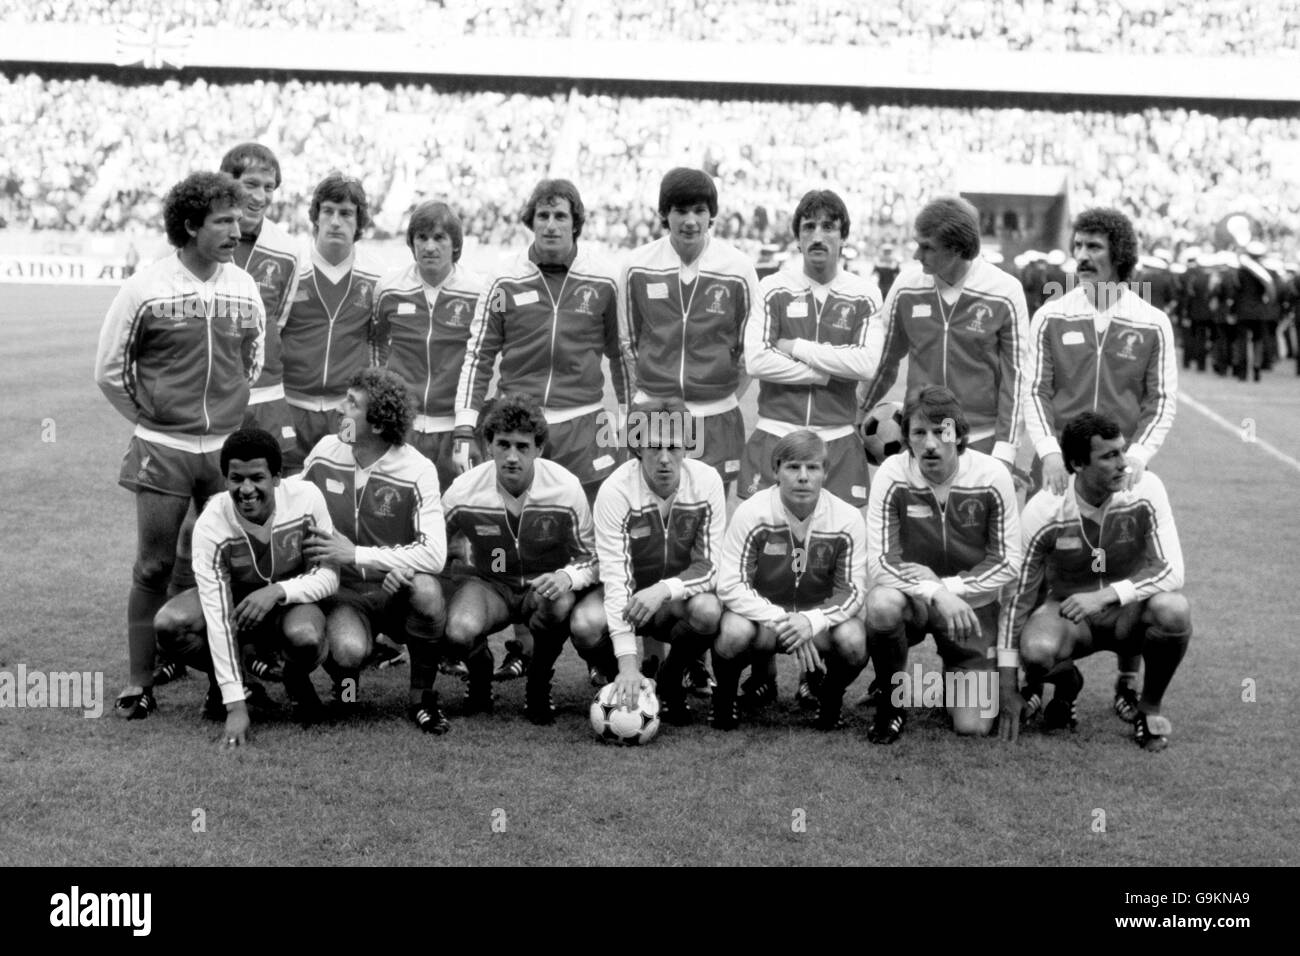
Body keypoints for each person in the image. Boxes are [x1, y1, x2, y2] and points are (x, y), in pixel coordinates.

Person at [94, 171, 265, 719]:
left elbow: (252, 360)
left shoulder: (243, 286)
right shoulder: (145, 288)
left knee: (232, 568)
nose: (236, 230)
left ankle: (224, 682)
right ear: (190, 225)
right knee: (153, 566)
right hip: (162, 447)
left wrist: (228, 413)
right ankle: (140, 682)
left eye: (238, 220)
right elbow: (110, 371)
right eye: (223, 221)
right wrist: (150, 417)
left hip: (226, 453)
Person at [1023, 208, 1178, 719]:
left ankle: (1129, 683)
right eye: (1080, 245)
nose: (1084, 256)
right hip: (1059, 468)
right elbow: (1036, 392)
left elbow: (1161, 401)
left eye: (1095, 247)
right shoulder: (1051, 315)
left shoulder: (1151, 321)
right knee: (1046, 571)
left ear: (1119, 254)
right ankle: (1044, 678)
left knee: (1128, 565)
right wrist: (1048, 452)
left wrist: (1136, 458)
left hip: (1120, 468)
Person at [741, 188, 881, 709]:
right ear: (797, 235)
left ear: (844, 235)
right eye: (808, 226)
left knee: (834, 560)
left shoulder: (865, 295)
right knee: (760, 558)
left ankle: (816, 671)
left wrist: (798, 350)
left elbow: (865, 364)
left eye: (829, 226)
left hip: (839, 443)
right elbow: (756, 360)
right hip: (774, 434)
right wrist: (830, 369)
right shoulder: (772, 288)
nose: (817, 235)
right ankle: (759, 672)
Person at [999, 412, 1190, 751]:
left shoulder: (1145, 488)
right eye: (1109, 456)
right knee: (1036, 651)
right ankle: (1068, 683)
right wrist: (1008, 686)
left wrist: (1106, 596)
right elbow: (1018, 599)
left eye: (1122, 451)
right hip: (1071, 616)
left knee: (1174, 609)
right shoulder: (1044, 510)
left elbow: (1172, 570)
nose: (1124, 464)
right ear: (1077, 464)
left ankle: (1148, 711)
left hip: (1127, 615)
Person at [154, 428, 338, 745]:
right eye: (236, 479)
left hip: (290, 606)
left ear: (278, 477)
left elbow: (329, 577)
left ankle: (295, 680)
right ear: (225, 479)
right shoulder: (211, 524)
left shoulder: (308, 499)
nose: (246, 489)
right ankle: (231, 681)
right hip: (234, 609)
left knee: (306, 637)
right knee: (170, 625)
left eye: (257, 477)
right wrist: (235, 706)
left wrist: (278, 592)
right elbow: (218, 617)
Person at [453, 178, 630, 502]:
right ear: (530, 221)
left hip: (584, 424)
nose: (551, 225)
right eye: (543, 216)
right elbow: (479, 355)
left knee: (584, 529)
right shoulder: (504, 280)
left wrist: (630, 418)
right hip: (516, 424)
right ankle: (501, 558)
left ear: (575, 223)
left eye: (560, 216)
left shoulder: (605, 279)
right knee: (510, 527)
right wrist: (465, 425)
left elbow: (621, 355)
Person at [863, 386, 1021, 744]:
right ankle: (890, 704)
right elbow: (881, 563)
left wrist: (951, 589)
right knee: (882, 604)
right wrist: (934, 591)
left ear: (960, 434)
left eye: (942, 431)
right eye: (919, 433)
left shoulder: (991, 475)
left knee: (973, 726)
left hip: (970, 609)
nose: (931, 443)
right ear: (906, 438)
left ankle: (955, 670)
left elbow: (1009, 561)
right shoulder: (892, 473)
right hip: (915, 600)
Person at [300, 368, 451, 732]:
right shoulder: (324, 452)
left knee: (427, 590)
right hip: (343, 593)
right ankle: (348, 693)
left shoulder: (418, 470)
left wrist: (357, 555)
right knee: (349, 652)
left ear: (379, 425)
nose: (340, 409)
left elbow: (434, 555)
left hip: (394, 591)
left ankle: (422, 699)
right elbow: (294, 505)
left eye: (352, 404)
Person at [441, 394, 599, 725]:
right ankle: (480, 673)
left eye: (522, 447)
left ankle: (539, 682)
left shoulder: (566, 490)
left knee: (557, 604)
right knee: (458, 630)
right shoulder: (462, 491)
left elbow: (592, 557)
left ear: (539, 449)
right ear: (488, 445)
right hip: (490, 586)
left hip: (542, 587)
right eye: (503, 445)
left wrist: (567, 578)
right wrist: (443, 586)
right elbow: (433, 549)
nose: (512, 457)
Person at [713, 430, 869, 732]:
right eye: (793, 467)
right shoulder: (752, 513)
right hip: (764, 624)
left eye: (812, 467)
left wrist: (811, 621)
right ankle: (726, 697)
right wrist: (783, 620)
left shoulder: (847, 519)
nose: (803, 477)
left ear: (825, 472)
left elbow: (852, 592)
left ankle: (829, 698)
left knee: (853, 639)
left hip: (817, 626)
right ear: (776, 471)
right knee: (733, 630)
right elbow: (730, 585)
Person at [618, 167, 761, 493]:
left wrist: (718, 396)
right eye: (680, 211)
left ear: (712, 215)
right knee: (648, 515)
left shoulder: (738, 269)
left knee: (710, 517)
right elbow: (628, 343)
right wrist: (650, 397)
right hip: (653, 412)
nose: (690, 220)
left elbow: (746, 351)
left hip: (716, 416)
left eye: (699, 210)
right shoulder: (636, 266)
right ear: (664, 214)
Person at [859, 196, 1029, 471]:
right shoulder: (906, 287)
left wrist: (1006, 450)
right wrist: (860, 409)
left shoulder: (1004, 292)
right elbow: (883, 360)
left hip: (980, 438)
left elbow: (1017, 377)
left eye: (927, 247)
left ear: (957, 249)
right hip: (922, 437)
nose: (916, 255)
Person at [584, 399, 726, 724]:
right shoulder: (615, 491)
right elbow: (615, 579)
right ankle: (618, 680)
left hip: (673, 601)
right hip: (627, 599)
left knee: (708, 609)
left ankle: (670, 676)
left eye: (674, 446)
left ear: (688, 446)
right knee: (585, 623)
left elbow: (710, 567)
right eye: (653, 446)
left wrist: (663, 589)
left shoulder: (707, 482)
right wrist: (628, 664)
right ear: (636, 447)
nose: (664, 458)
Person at [374, 200, 484, 493]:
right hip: (403, 427)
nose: (430, 246)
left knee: (455, 520)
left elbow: (484, 357)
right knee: (397, 512)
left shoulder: (478, 292)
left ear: (455, 245)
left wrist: (466, 422)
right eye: (421, 238)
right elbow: (376, 343)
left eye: (439, 238)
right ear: (411, 243)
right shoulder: (389, 289)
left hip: (452, 428)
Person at [281, 173, 386, 472]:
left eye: (346, 213)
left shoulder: (377, 277)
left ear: (359, 221)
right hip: (291, 406)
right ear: (315, 217)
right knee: (287, 487)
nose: (336, 221)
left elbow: (381, 342)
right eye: (327, 211)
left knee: (341, 482)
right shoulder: (291, 267)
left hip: (346, 412)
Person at [220, 143, 302, 463]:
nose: (260, 196)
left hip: (267, 396)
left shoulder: (288, 251)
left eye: (269, 187)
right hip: (213, 396)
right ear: (227, 183)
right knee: (210, 497)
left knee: (269, 497)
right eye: (250, 184)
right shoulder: (198, 242)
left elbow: (276, 320)